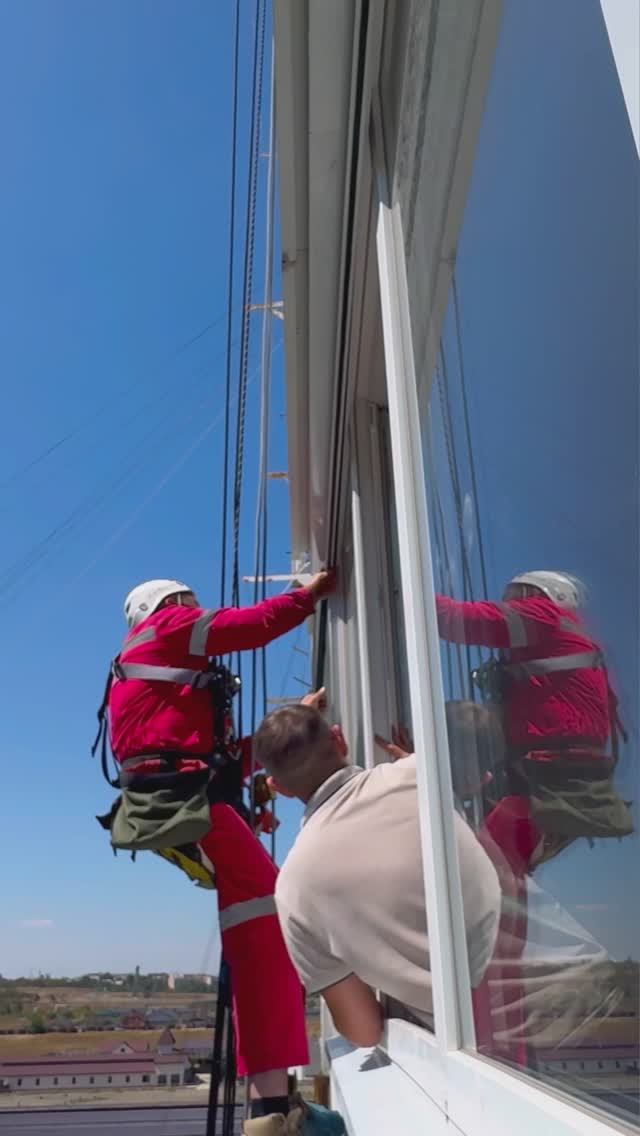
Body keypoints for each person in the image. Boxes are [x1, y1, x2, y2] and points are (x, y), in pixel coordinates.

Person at [97, 572, 334, 1126]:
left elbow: (224, 759)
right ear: (171, 603)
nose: (198, 610)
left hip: (180, 800)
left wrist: (299, 715)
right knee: (270, 918)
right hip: (186, 800)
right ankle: (273, 1107)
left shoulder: (157, 680)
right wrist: (310, 596)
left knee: (258, 925)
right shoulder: (170, 626)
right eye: (191, 602)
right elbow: (247, 626)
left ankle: (273, 1100)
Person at [253, 699, 501, 1048]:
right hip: (543, 996)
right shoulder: (424, 772)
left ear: (279, 788)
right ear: (339, 740)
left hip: (465, 1043)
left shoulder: (293, 888)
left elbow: (364, 1030)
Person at [435, 571, 632, 874]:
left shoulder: (544, 616)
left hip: (544, 772)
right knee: (492, 872)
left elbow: (454, 619)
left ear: (541, 595)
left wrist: (407, 588)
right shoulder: (574, 641)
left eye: (516, 596)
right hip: (558, 775)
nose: (509, 605)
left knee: (477, 874)